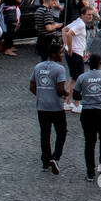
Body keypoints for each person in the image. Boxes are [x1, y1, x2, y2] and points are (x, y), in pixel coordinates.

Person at [29, 41, 69, 174]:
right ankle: (55, 157)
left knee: (45, 134)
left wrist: (41, 95)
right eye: (60, 53)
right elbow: (60, 90)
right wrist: (67, 94)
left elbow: (32, 86)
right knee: (61, 132)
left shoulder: (38, 67)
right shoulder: (59, 69)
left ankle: (45, 161)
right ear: (54, 54)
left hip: (42, 106)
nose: (61, 55)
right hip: (56, 107)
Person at [75, 53, 101, 181]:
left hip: (87, 113)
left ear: (89, 63)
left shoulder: (82, 77)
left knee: (89, 142)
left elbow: (75, 95)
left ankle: (90, 173)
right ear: (100, 63)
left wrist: (87, 98)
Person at [62, 5, 94, 113]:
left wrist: (65, 45)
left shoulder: (78, 21)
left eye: (91, 15)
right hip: (76, 55)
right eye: (88, 15)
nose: (90, 17)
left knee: (73, 79)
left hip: (75, 53)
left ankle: (67, 102)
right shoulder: (80, 24)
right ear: (82, 15)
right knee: (78, 81)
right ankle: (76, 104)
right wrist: (70, 48)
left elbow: (64, 30)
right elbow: (69, 33)